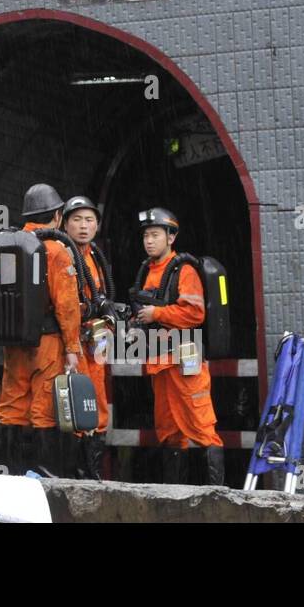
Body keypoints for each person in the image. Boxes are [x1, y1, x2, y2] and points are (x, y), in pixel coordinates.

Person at [0, 184, 81, 475]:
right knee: (44, 405)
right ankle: (45, 472)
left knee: (12, 403)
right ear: (57, 216)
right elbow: (67, 306)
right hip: (46, 341)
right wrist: (72, 348)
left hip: (14, 339)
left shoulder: (10, 242)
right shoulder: (57, 250)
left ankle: (9, 469)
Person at [132, 207, 223, 485]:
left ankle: (220, 497)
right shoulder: (148, 271)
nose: (149, 241)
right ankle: (175, 497)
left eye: (155, 235)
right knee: (169, 430)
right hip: (159, 360)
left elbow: (195, 314)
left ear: (171, 237)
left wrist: (156, 314)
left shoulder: (183, 270)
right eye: (146, 235)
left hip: (185, 358)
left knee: (201, 424)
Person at [62, 196, 113, 478]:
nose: (84, 227)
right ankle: (78, 472)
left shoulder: (94, 257)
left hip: (96, 340)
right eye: (77, 220)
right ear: (65, 223)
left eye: (89, 220)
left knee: (98, 404)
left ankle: (92, 472)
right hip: (74, 341)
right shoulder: (62, 254)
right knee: (76, 403)